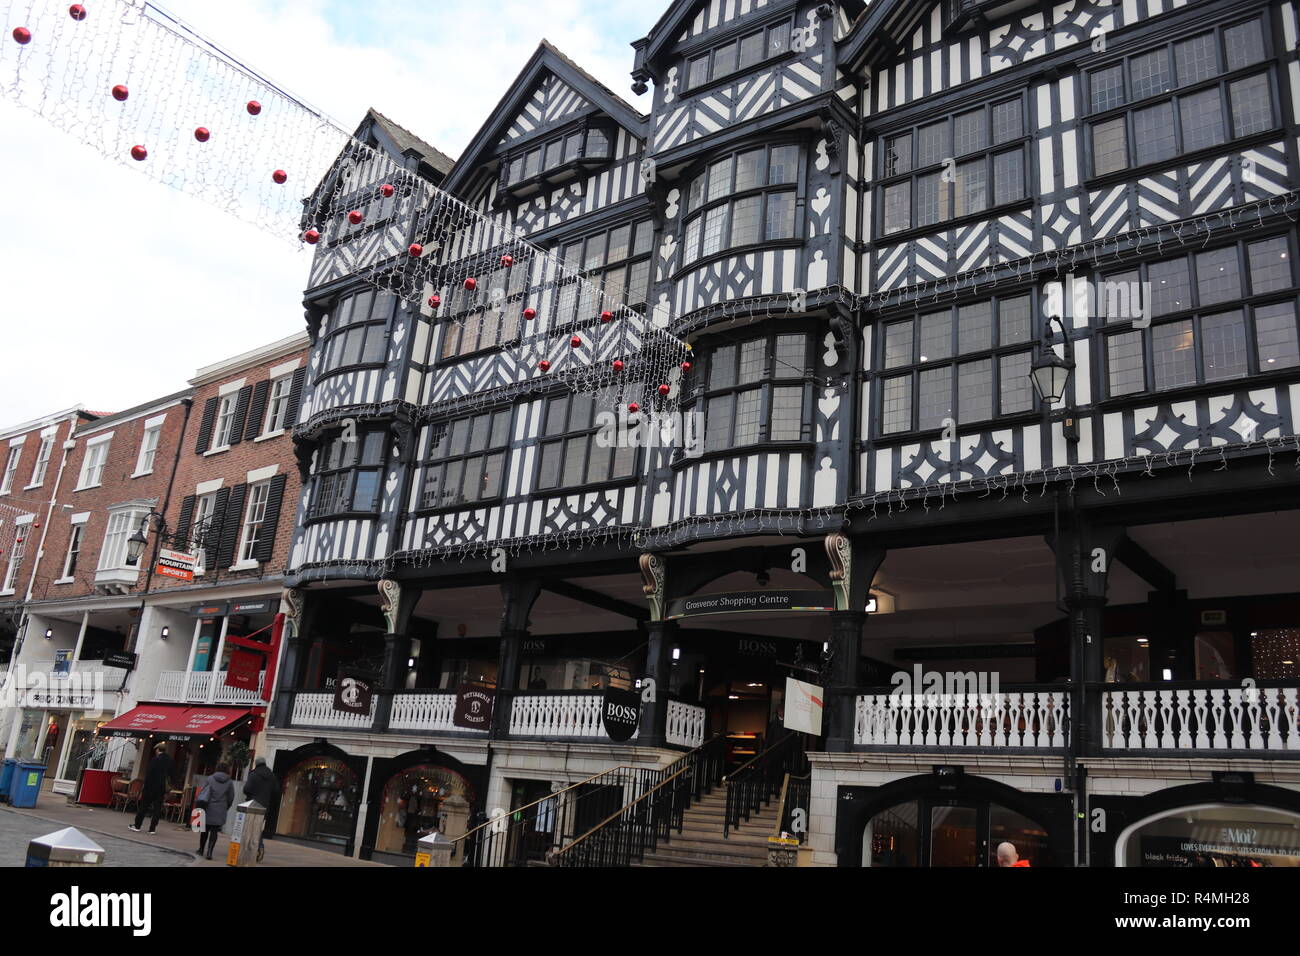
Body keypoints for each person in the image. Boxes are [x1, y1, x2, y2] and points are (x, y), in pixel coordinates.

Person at [129, 743, 174, 835]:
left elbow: (149, 774)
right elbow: (172, 775)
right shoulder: (170, 761)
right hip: (161, 789)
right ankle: (152, 829)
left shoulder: (155, 760)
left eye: (156, 750)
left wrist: (145, 787)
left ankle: (137, 825)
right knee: (157, 809)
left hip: (150, 788)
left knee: (143, 807)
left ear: (157, 750)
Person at [242, 756, 279, 862]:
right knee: (258, 828)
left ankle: (249, 849)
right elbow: (276, 791)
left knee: (248, 827)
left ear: (256, 764)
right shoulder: (272, 776)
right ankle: (259, 847)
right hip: (265, 806)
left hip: (252, 804)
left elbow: (247, 789)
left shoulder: (254, 774)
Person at [195, 763, 235, 860]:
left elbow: (203, 793)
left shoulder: (210, 779)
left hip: (208, 808)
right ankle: (209, 852)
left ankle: (201, 849)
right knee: (214, 831)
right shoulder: (229, 782)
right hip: (220, 809)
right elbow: (231, 797)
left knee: (204, 830)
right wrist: (225, 807)